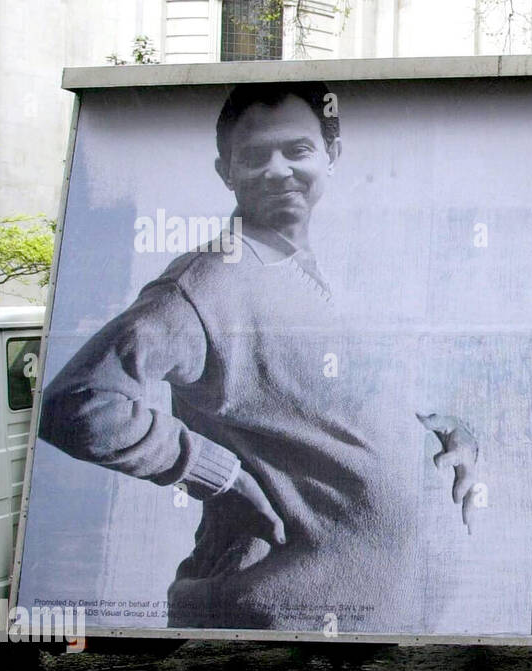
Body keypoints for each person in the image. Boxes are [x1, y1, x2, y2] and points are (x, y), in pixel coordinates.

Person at [39, 82, 482, 631]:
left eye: (297, 151)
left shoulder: (325, 271)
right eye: (254, 157)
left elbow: (318, 413)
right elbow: (77, 403)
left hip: (379, 627)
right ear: (226, 171)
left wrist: (438, 437)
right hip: (274, 633)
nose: (277, 170)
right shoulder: (206, 281)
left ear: (331, 156)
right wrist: (211, 471)